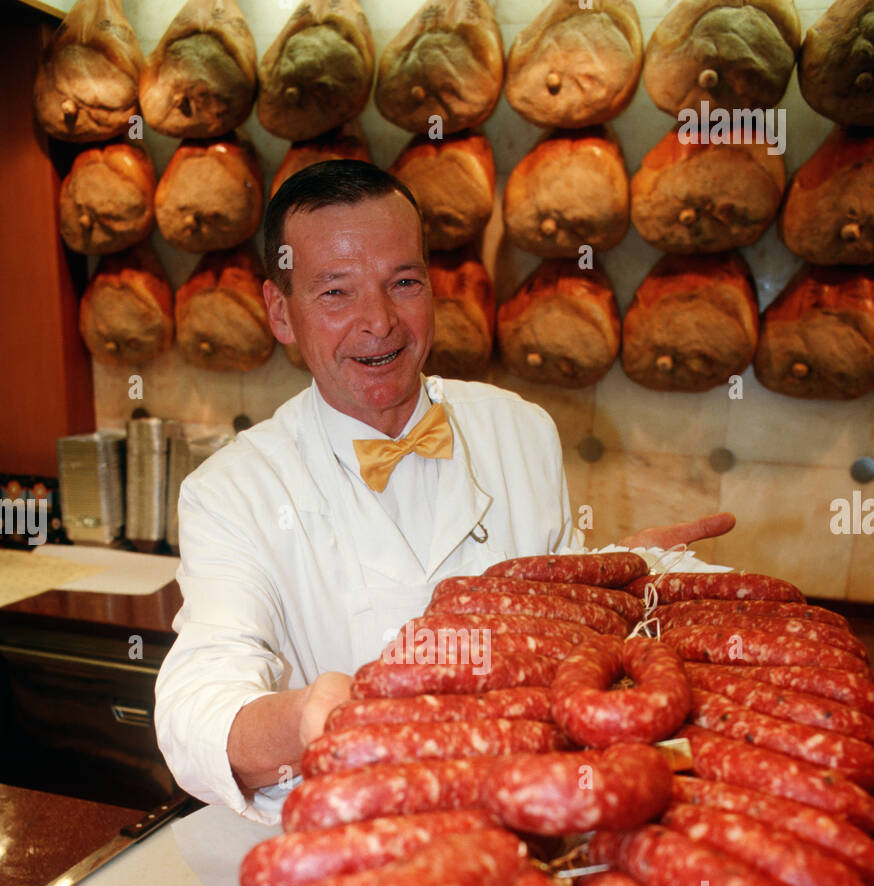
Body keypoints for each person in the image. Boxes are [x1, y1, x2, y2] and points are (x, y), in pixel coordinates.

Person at [155, 161, 734, 824]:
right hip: (348, 841)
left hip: (527, 826)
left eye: (402, 283)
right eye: (336, 294)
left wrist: (615, 576)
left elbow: (559, 634)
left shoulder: (520, 430)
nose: (379, 322)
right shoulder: (231, 491)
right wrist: (307, 717)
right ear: (280, 313)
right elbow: (195, 705)